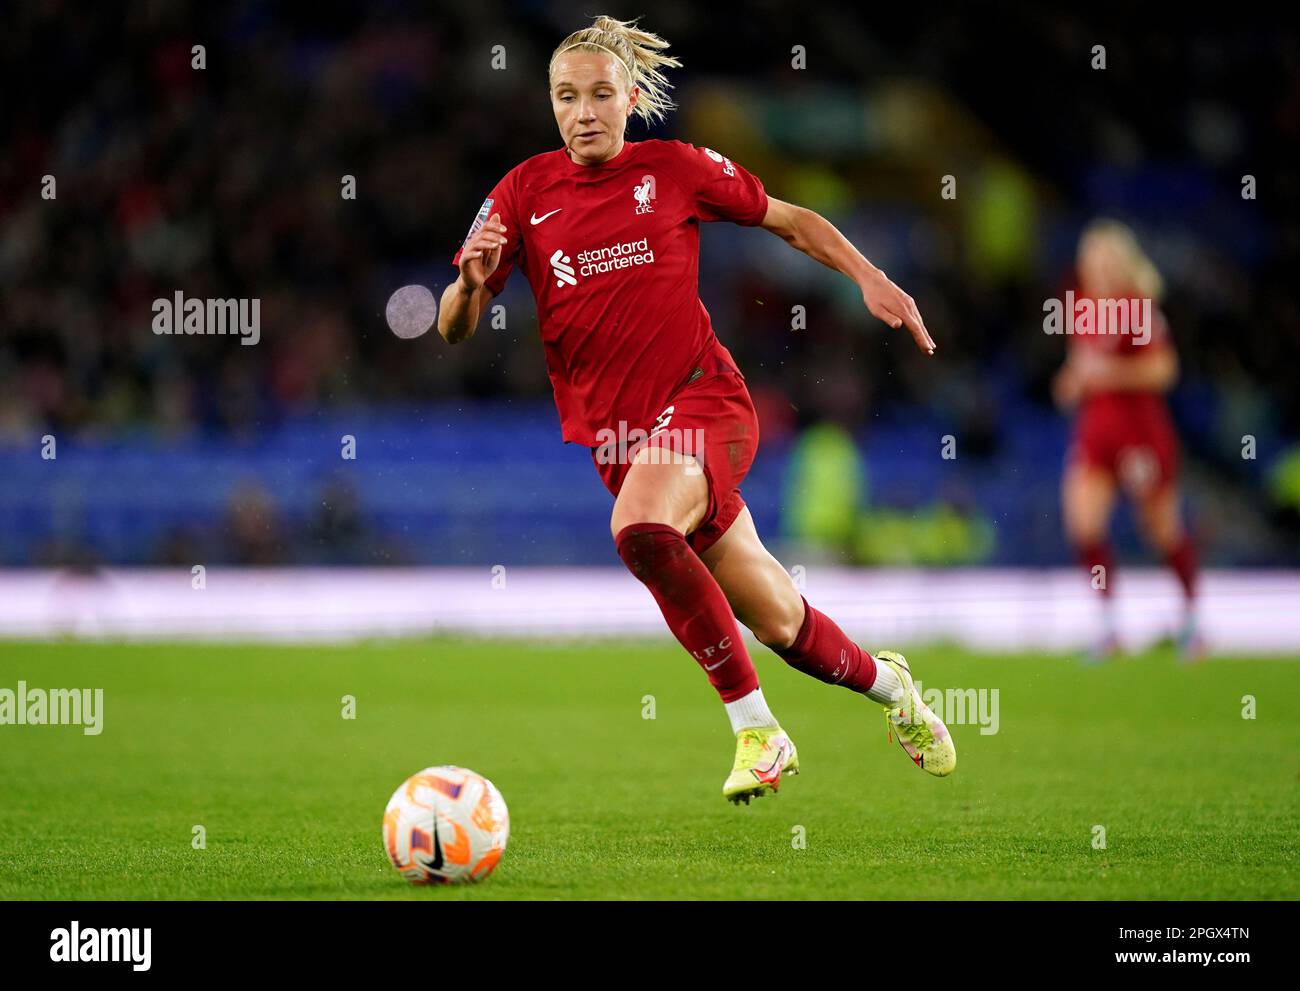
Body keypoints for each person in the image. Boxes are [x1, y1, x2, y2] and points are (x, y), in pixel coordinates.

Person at [439, 15, 955, 803]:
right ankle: (895, 688)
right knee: (781, 623)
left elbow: (792, 220)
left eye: (601, 95)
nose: (584, 112)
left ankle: (759, 730)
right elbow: (453, 326)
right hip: (621, 443)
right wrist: (471, 288)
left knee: (638, 527)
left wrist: (868, 275)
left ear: (632, 97)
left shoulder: (675, 169)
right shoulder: (523, 193)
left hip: (706, 404)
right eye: (566, 96)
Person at [1053, 220, 1201, 660]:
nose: (1094, 267)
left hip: (1139, 434)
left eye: (1102, 258)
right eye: (1088, 259)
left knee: (1160, 529)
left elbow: (1164, 369)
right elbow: (1082, 370)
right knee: (1083, 523)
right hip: (1096, 433)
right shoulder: (1081, 309)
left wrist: (1107, 376)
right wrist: (1072, 383)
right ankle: (1107, 625)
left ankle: (1192, 622)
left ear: (1120, 262)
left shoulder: (1138, 309)